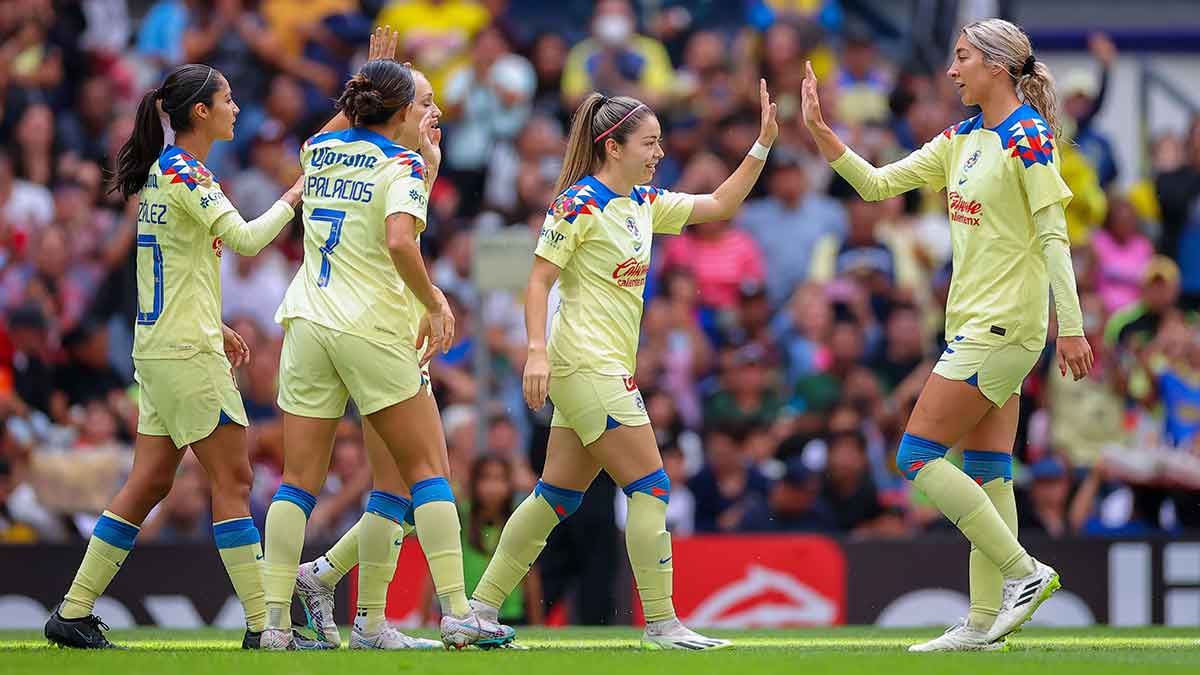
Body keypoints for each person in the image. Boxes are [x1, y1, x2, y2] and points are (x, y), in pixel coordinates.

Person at [802, 18, 1093, 651]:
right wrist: (825, 136)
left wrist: (1070, 328)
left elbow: (1054, 236)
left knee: (915, 455)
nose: (951, 69)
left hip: (1003, 327)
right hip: (975, 327)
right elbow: (879, 185)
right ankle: (985, 623)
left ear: (995, 65)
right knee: (989, 471)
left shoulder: (1030, 136)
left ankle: (1023, 571)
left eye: (961, 58)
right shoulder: (962, 138)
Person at [465, 78, 778, 650]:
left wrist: (761, 144)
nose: (660, 153)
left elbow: (721, 204)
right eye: (650, 142)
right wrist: (535, 351)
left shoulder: (643, 203)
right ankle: (662, 622)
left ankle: (478, 610)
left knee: (555, 496)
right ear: (614, 146)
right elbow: (536, 282)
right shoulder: (579, 203)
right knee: (652, 488)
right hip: (587, 365)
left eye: (660, 142)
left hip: (596, 368)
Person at [43, 63, 315, 650]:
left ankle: (73, 610)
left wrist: (212, 321)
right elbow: (245, 240)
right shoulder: (189, 174)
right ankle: (263, 627)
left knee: (148, 481)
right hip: (186, 353)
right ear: (200, 112)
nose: (236, 108)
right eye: (228, 99)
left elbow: (167, 268)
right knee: (234, 478)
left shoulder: (160, 176)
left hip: (163, 346)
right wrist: (296, 192)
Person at [259, 45, 515, 649]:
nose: (432, 112)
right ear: (399, 109)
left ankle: (279, 623)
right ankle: (458, 612)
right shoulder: (399, 166)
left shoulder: (319, 150)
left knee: (304, 480)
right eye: (423, 102)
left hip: (307, 322)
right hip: (374, 328)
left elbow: (342, 136)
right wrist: (436, 301)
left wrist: (379, 92)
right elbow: (402, 240)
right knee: (430, 471)